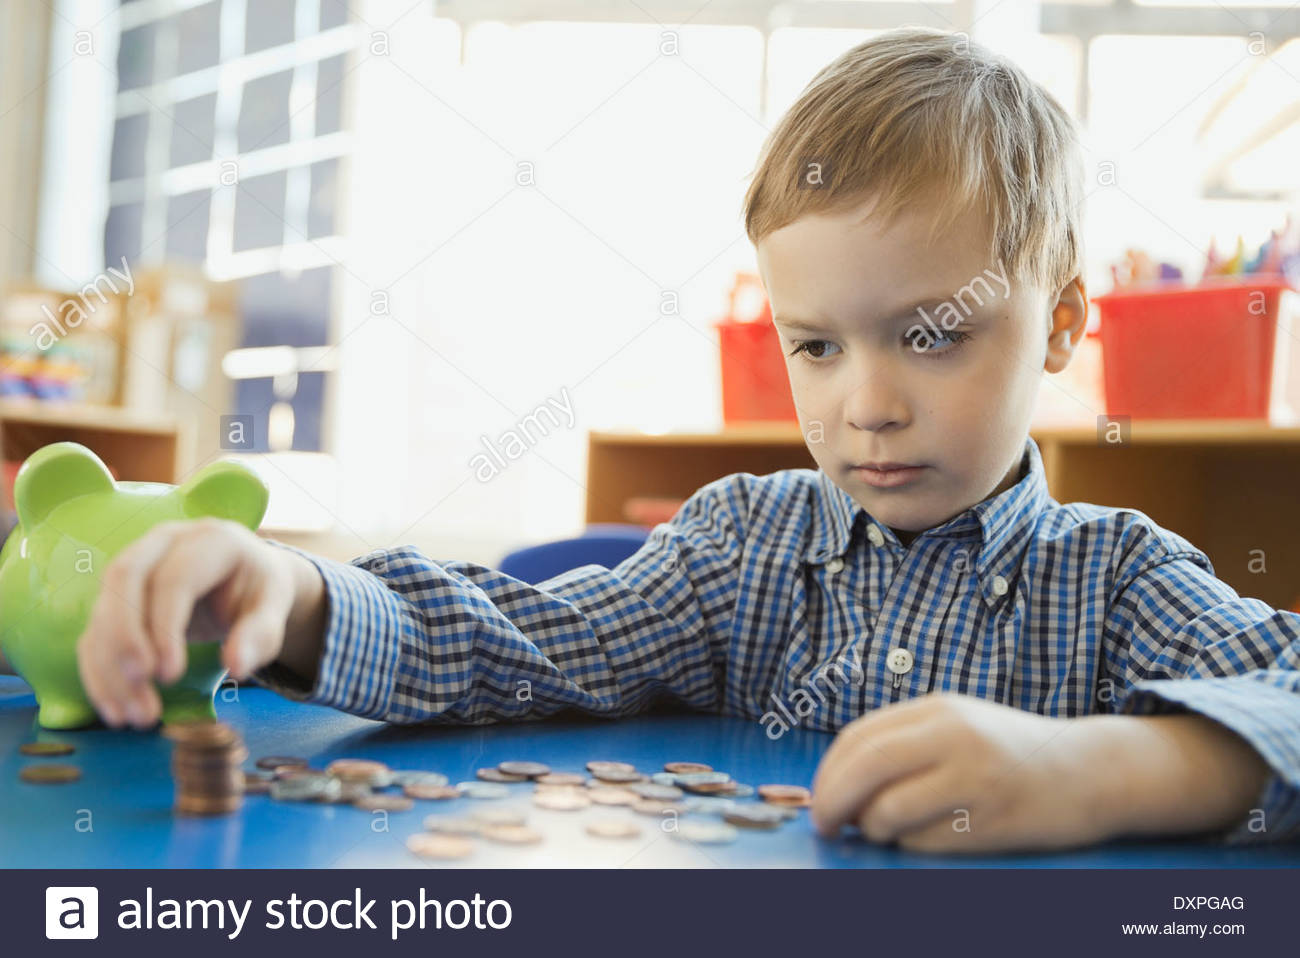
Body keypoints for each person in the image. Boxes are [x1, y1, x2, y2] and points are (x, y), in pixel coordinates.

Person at [72, 26, 1299, 854]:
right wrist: (289, 598)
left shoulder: (1118, 575)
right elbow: (520, 645)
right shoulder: (739, 551)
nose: (865, 401)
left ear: (1061, 325)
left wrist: (1100, 773)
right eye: (815, 344)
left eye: (930, 336)